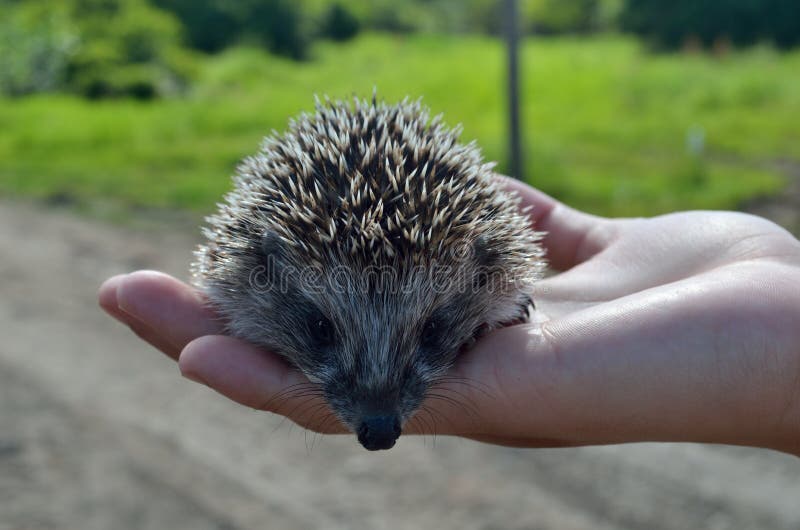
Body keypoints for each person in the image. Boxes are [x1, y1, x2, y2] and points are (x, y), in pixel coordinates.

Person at [98, 178, 800, 456]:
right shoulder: (257, 261)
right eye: (321, 332)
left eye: (431, 333)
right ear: (265, 273)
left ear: (486, 271)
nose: (379, 419)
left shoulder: (487, 261)